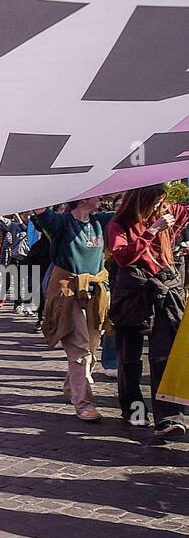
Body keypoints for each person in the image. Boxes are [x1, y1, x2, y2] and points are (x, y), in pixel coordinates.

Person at [107, 184, 189, 439]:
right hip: (132, 293)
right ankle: (134, 410)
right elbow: (122, 257)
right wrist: (152, 231)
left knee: (163, 356)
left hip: (164, 290)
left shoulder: (167, 212)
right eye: (154, 205)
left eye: (161, 204)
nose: (159, 209)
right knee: (130, 358)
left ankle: (168, 418)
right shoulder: (118, 225)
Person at [32, 198, 117, 422]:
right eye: (96, 194)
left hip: (95, 292)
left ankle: (72, 386)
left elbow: (129, 207)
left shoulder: (100, 221)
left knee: (90, 346)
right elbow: (39, 207)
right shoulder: (61, 223)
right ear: (85, 198)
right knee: (80, 349)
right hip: (68, 293)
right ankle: (84, 404)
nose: (101, 198)